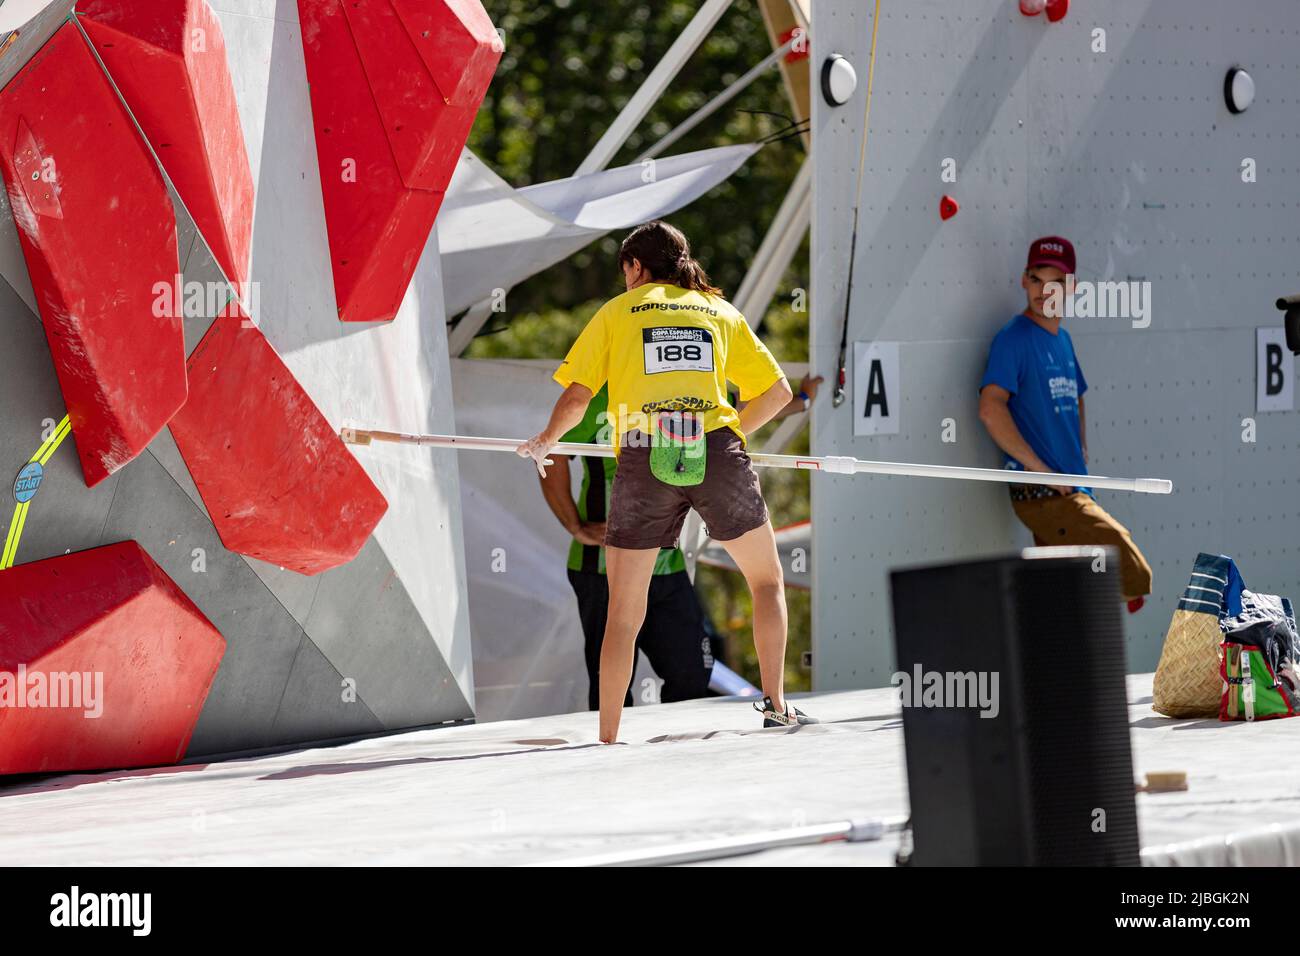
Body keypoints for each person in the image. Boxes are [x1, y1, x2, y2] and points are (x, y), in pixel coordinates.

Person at [518, 220, 818, 742]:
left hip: (643, 451)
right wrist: (726, 434)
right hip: (715, 450)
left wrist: (545, 439)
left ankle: (609, 735)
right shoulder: (718, 311)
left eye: (625, 270)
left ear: (635, 267)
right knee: (766, 582)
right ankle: (776, 706)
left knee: (623, 611)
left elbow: (578, 397)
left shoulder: (617, 311)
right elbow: (776, 393)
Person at [539, 376, 822, 712]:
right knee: (610, 686)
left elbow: (738, 410)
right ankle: (611, 750)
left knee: (691, 674)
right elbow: (552, 455)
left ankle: (679, 757)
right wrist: (574, 525)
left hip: (667, 566)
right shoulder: (595, 398)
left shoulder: (688, 383)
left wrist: (802, 399)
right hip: (601, 567)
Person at [978, 235, 1153, 611]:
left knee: (1060, 606)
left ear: (1071, 288)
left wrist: (1081, 450)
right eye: (1037, 279)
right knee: (1132, 569)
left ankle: (1052, 663)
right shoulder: (1013, 339)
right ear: (1023, 280)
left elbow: (1078, 394)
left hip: (1071, 488)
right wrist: (1042, 472)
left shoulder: (1063, 340)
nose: (1045, 291)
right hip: (1045, 496)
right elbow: (991, 408)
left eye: (1056, 283)